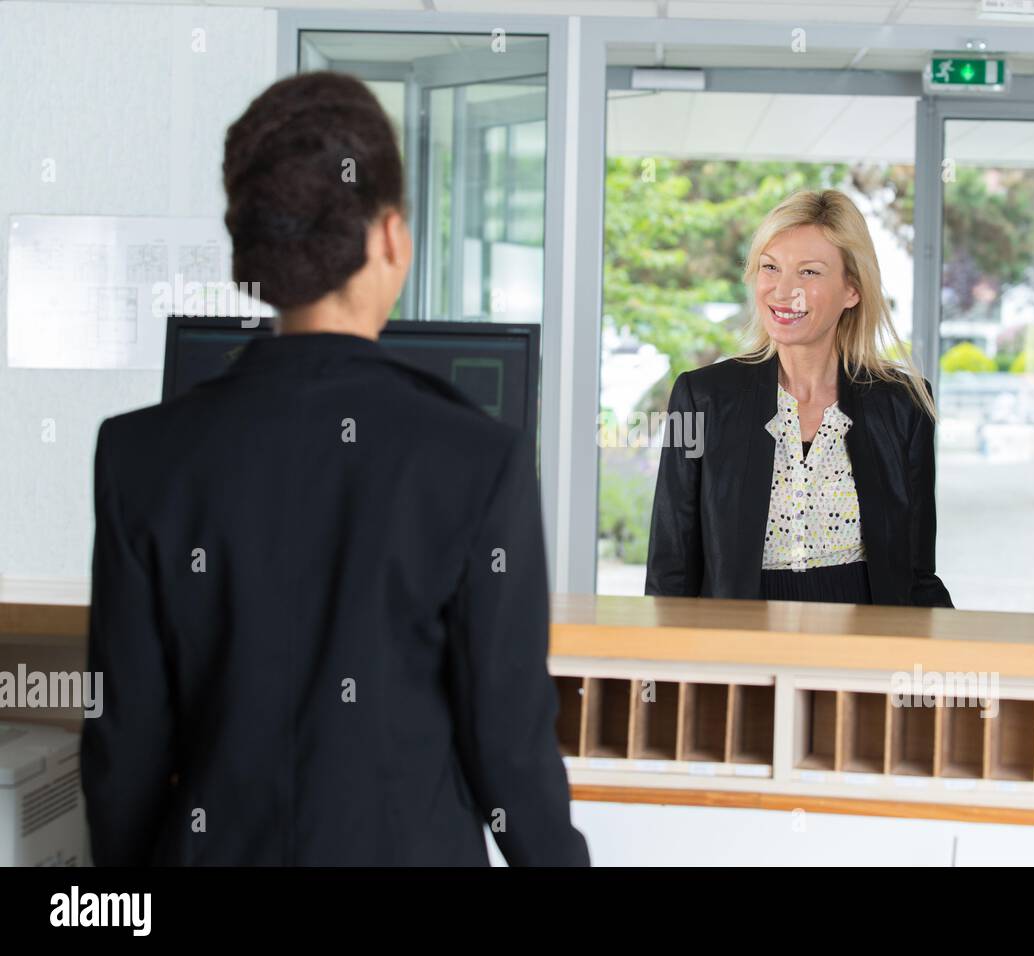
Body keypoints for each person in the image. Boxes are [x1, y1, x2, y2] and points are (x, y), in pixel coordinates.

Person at [81, 72, 589, 866]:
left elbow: (124, 750)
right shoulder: (477, 458)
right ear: (391, 237)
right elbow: (510, 757)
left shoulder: (140, 454)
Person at [645, 189, 952, 608]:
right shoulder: (696, 398)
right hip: (738, 650)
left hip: (864, 649)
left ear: (852, 291)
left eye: (808, 273)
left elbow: (916, 574)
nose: (783, 291)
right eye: (770, 267)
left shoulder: (905, 406)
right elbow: (670, 567)